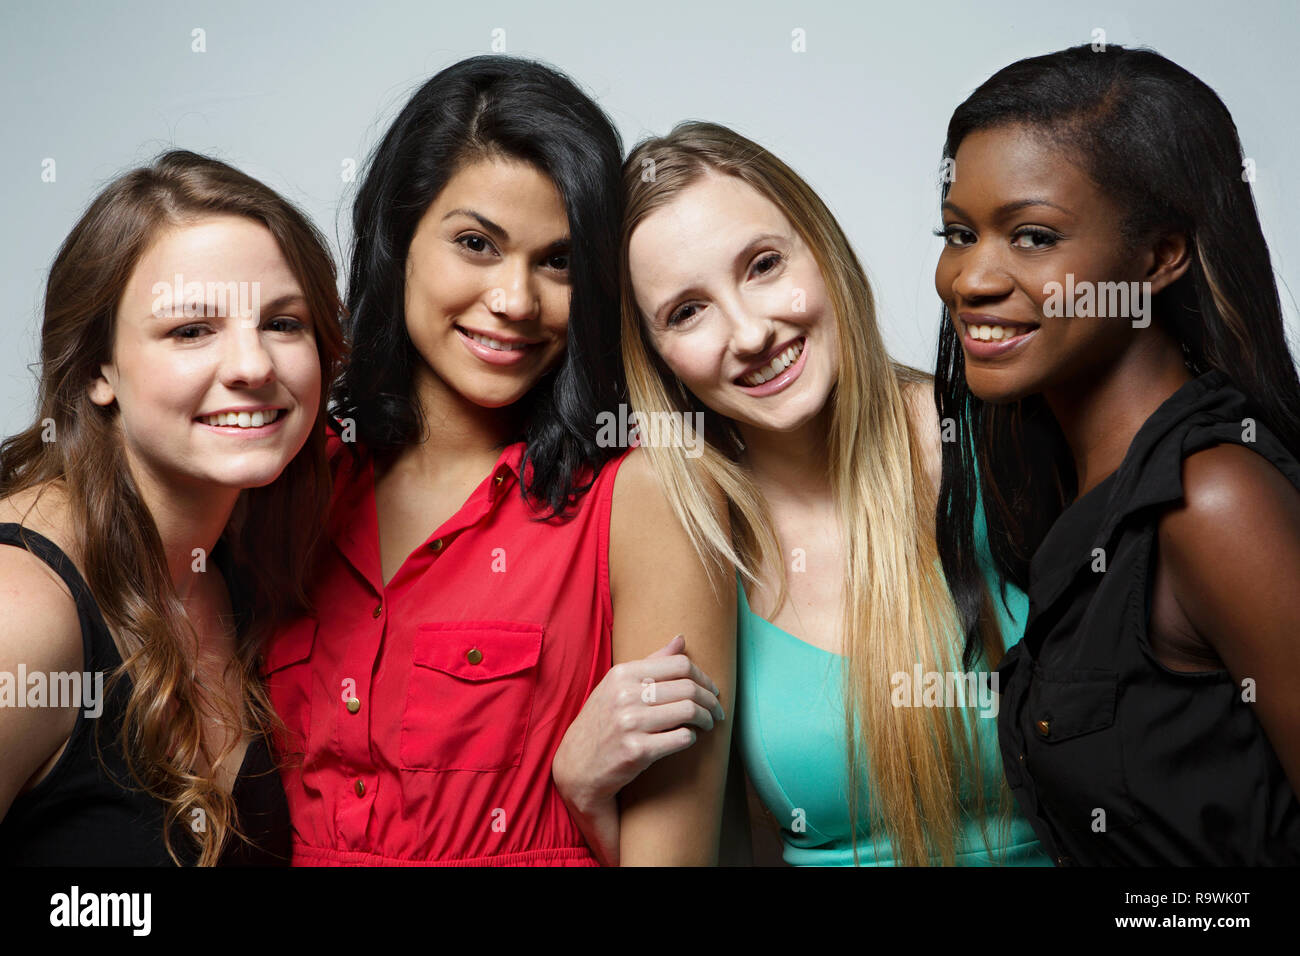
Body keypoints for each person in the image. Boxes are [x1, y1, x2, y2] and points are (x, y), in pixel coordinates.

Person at [262, 56, 734, 867]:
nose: (515, 300)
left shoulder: (643, 499)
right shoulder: (294, 476)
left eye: (557, 261)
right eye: (477, 244)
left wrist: (578, 790)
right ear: (398, 239)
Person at [557, 121, 1048, 866]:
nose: (750, 332)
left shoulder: (997, 436)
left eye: (762, 265)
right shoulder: (687, 535)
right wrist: (586, 795)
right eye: (688, 311)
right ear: (656, 358)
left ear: (820, 247)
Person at [932, 44, 1300, 864]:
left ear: (1159, 257)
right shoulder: (1065, 484)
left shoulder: (1214, 499)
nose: (970, 278)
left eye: (1032, 237)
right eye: (959, 232)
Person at [0, 150, 346, 865]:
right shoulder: (23, 608)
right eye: (192, 330)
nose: (253, 366)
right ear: (99, 370)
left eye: (284, 323)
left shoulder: (245, 570)